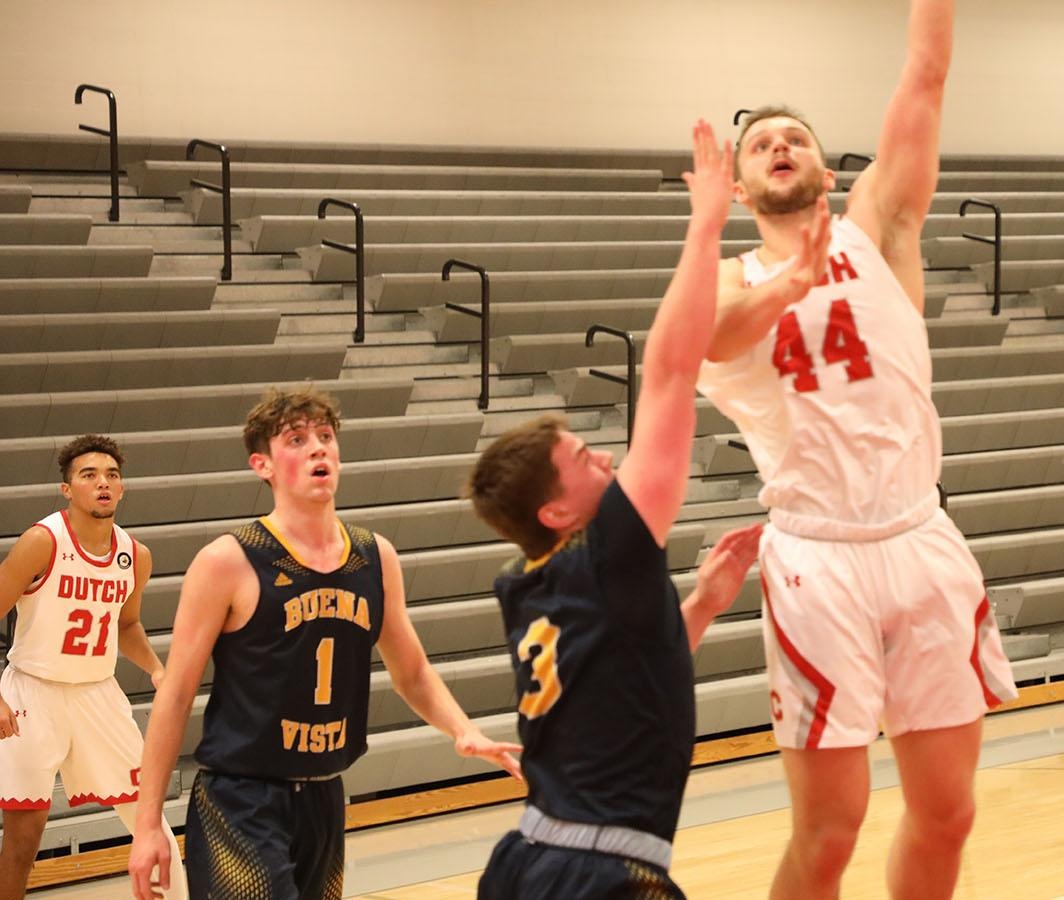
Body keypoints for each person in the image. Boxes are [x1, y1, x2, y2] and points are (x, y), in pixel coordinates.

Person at [695, 3, 1018, 896]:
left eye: (794, 137)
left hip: (919, 534)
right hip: (817, 556)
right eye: (761, 145)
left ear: (827, 168)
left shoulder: (878, 226)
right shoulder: (728, 273)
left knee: (950, 811)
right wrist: (789, 283)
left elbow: (925, 76)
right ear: (739, 188)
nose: (780, 147)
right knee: (831, 830)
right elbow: (709, 340)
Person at [465, 121, 761, 899]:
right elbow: (668, 370)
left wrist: (696, 608)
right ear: (558, 512)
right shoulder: (609, 554)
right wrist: (706, 223)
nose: (605, 457)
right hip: (599, 874)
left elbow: (617, 686)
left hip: (527, 856)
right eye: (584, 462)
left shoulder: (530, 583)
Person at [127, 387, 522, 900]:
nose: (318, 448)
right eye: (296, 439)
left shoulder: (374, 555)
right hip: (242, 798)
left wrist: (462, 730)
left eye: (325, 436)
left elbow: (413, 671)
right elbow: (176, 694)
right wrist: (147, 822)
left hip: (325, 795)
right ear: (262, 465)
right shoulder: (228, 560)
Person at [0, 435, 185, 900]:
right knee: (24, 835)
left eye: (112, 475)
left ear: (121, 490)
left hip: (97, 695)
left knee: (150, 817)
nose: (103, 483)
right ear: (67, 489)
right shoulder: (41, 542)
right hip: (32, 693)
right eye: (89, 475)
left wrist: (158, 669)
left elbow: (127, 624)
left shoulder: (134, 555)